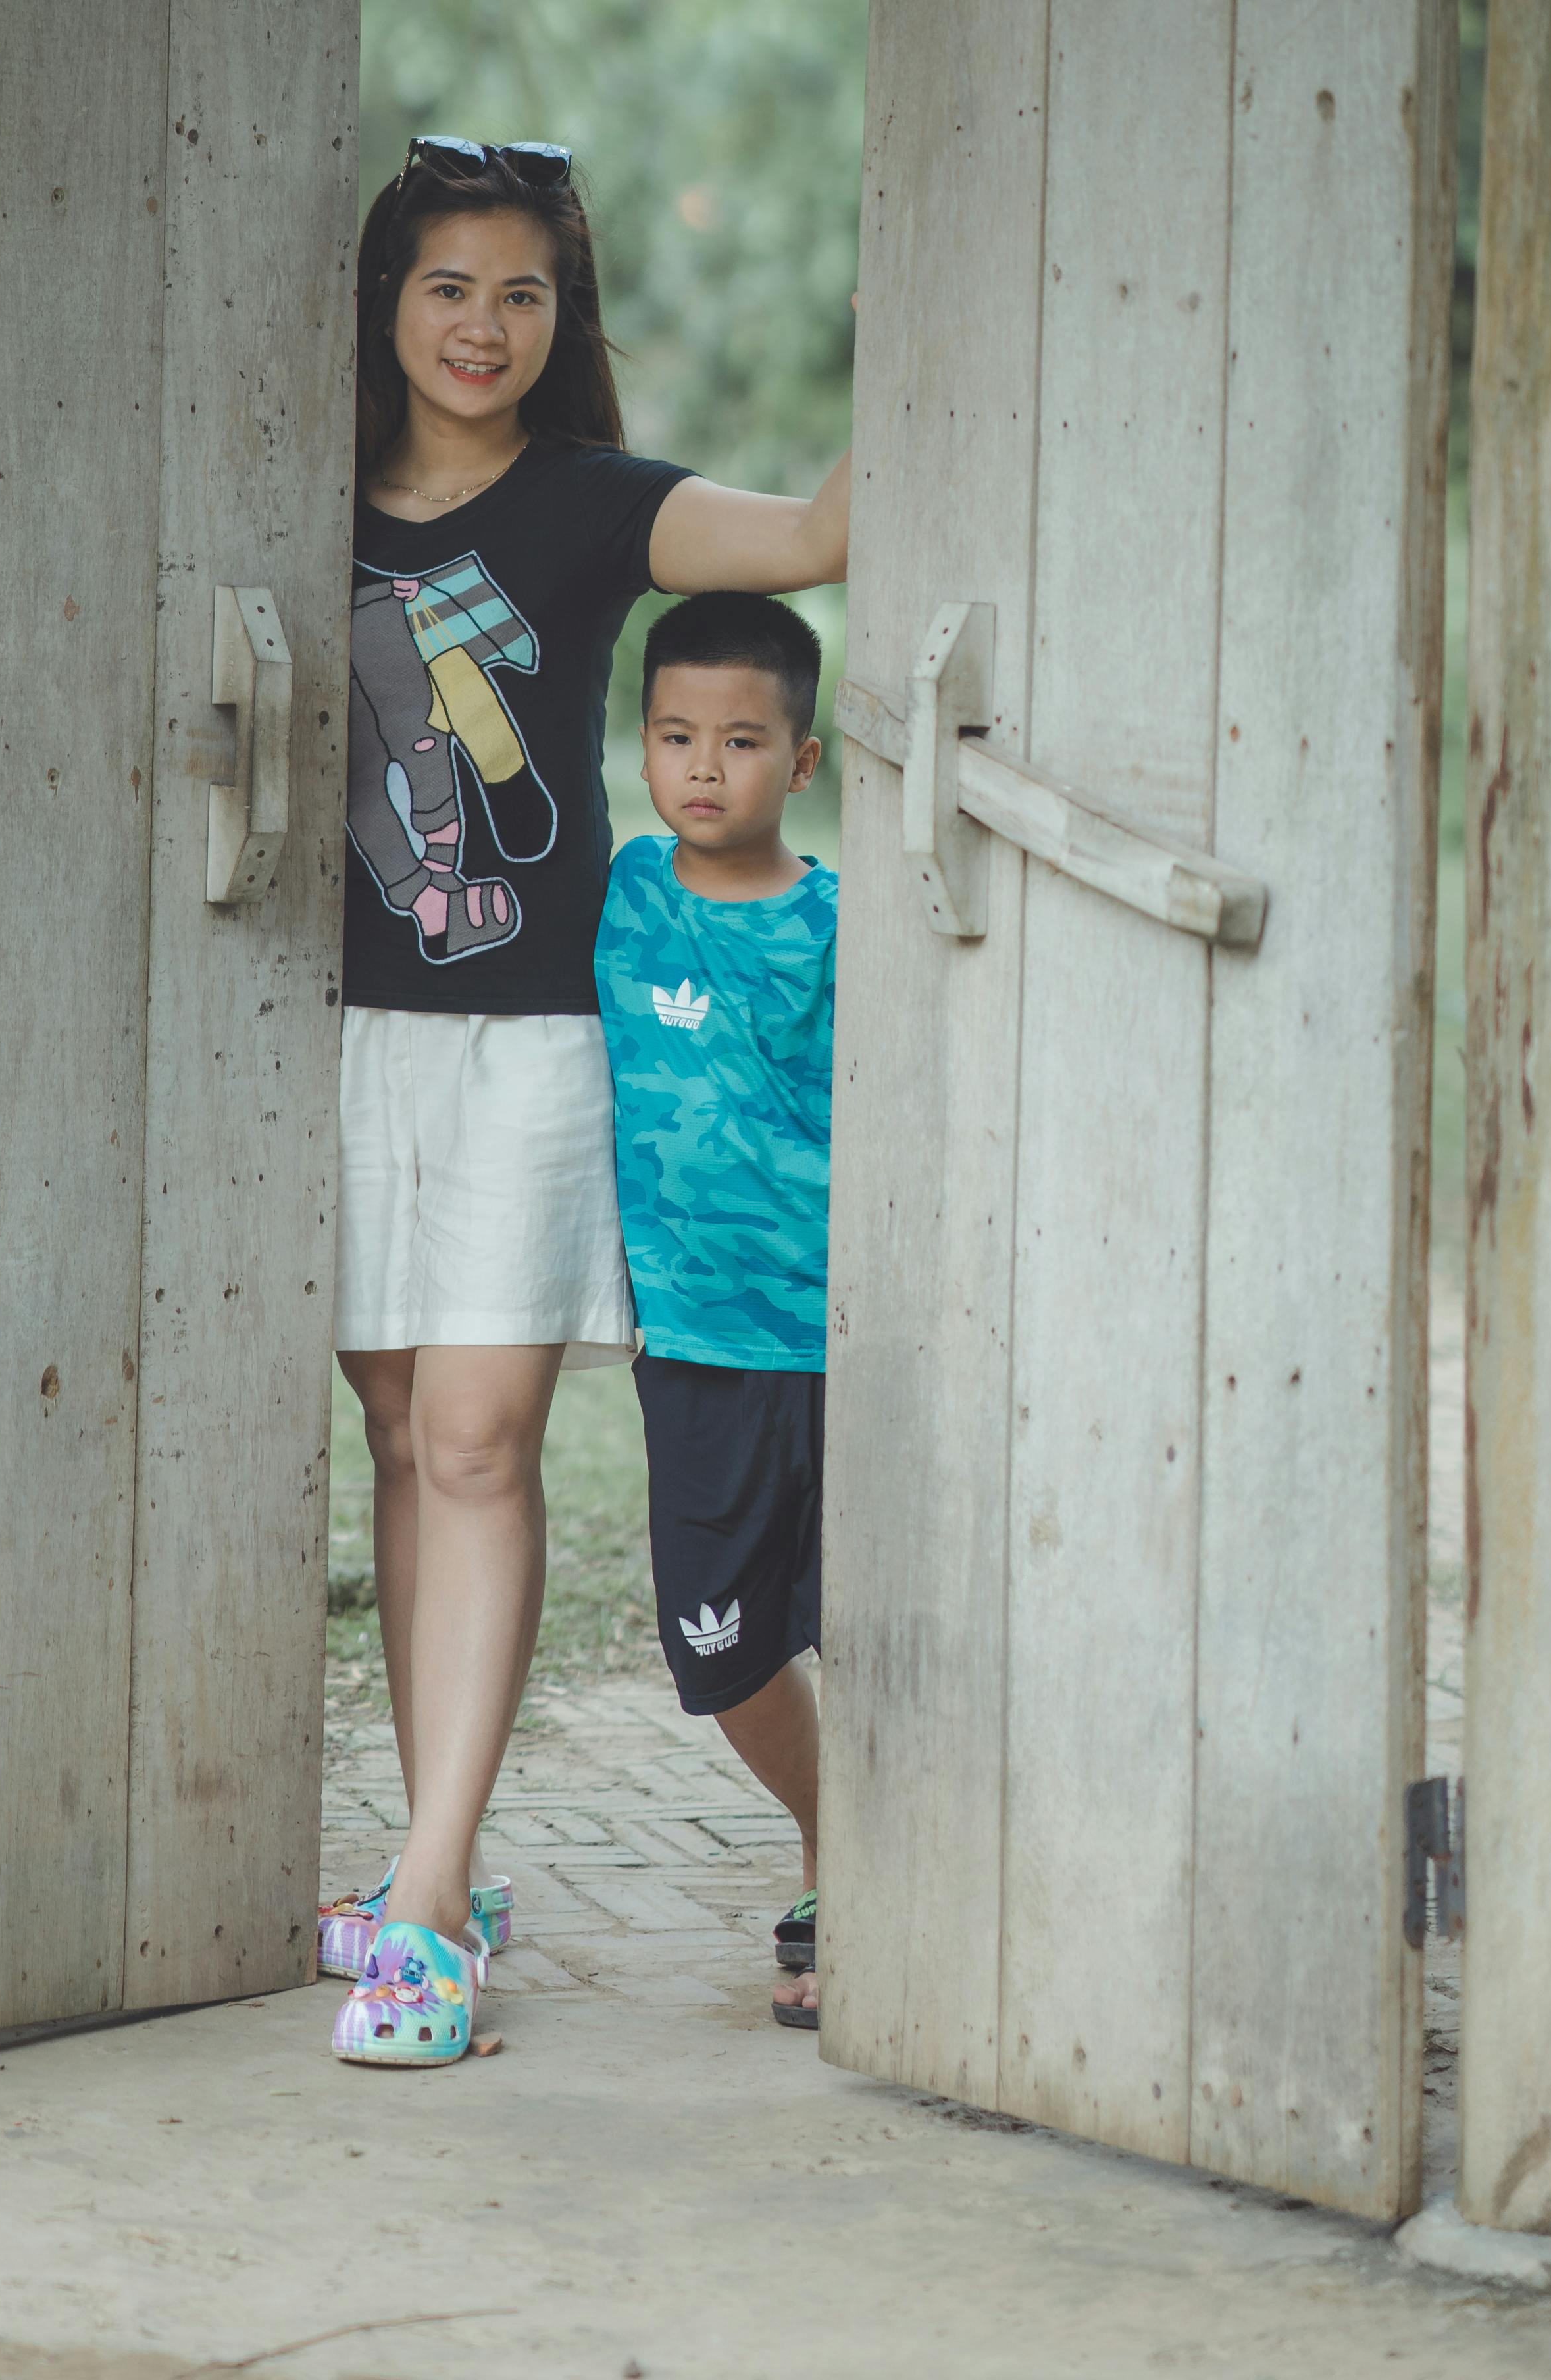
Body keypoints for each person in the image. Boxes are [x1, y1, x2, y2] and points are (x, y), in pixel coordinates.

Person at [324, 138, 846, 2070]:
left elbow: (811, 535)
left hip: (529, 1039)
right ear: (387, 303)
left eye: (524, 293)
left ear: (567, 320)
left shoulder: (589, 504)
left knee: (472, 1444)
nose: (485, 325)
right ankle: (419, 1856)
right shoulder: (295, 492)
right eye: (451, 286)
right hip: (336, 1033)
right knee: (395, 1431)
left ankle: (438, 1901)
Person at [597, 592, 835, 2034]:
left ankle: (862, 1886)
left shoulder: (839, 926)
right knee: (723, 1644)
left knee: (870, 1624)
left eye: (740, 742)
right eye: (675, 736)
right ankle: (841, 1833)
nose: (703, 768)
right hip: (692, 1348)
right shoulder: (623, 890)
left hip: (836, 1342)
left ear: (797, 763)